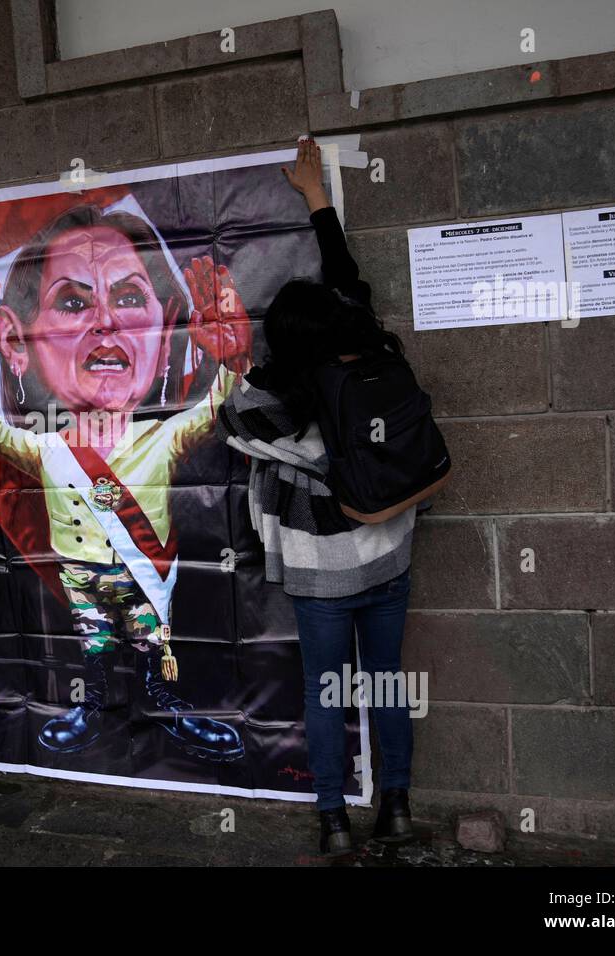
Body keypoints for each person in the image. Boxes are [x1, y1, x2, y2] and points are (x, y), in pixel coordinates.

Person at [0, 205, 252, 761]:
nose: (105, 324)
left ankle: (165, 705)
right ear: (17, 345)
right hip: (81, 577)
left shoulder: (165, 437)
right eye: (72, 302)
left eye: (130, 298)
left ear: (165, 337)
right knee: (94, 650)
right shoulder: (45, 448)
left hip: (144, 577)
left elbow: (217, 408)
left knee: (149, 648)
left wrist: (235, 363)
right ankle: (90, 708)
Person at [217, 138, 417, 855]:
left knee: (327, 695)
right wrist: (317, 198)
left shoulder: (275, 405)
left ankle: (333, 822)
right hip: (389, 554)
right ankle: (395, 806)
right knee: (388, 684)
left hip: (321, 578)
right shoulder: (378, 361)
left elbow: (227, 420)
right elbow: (348, 283)